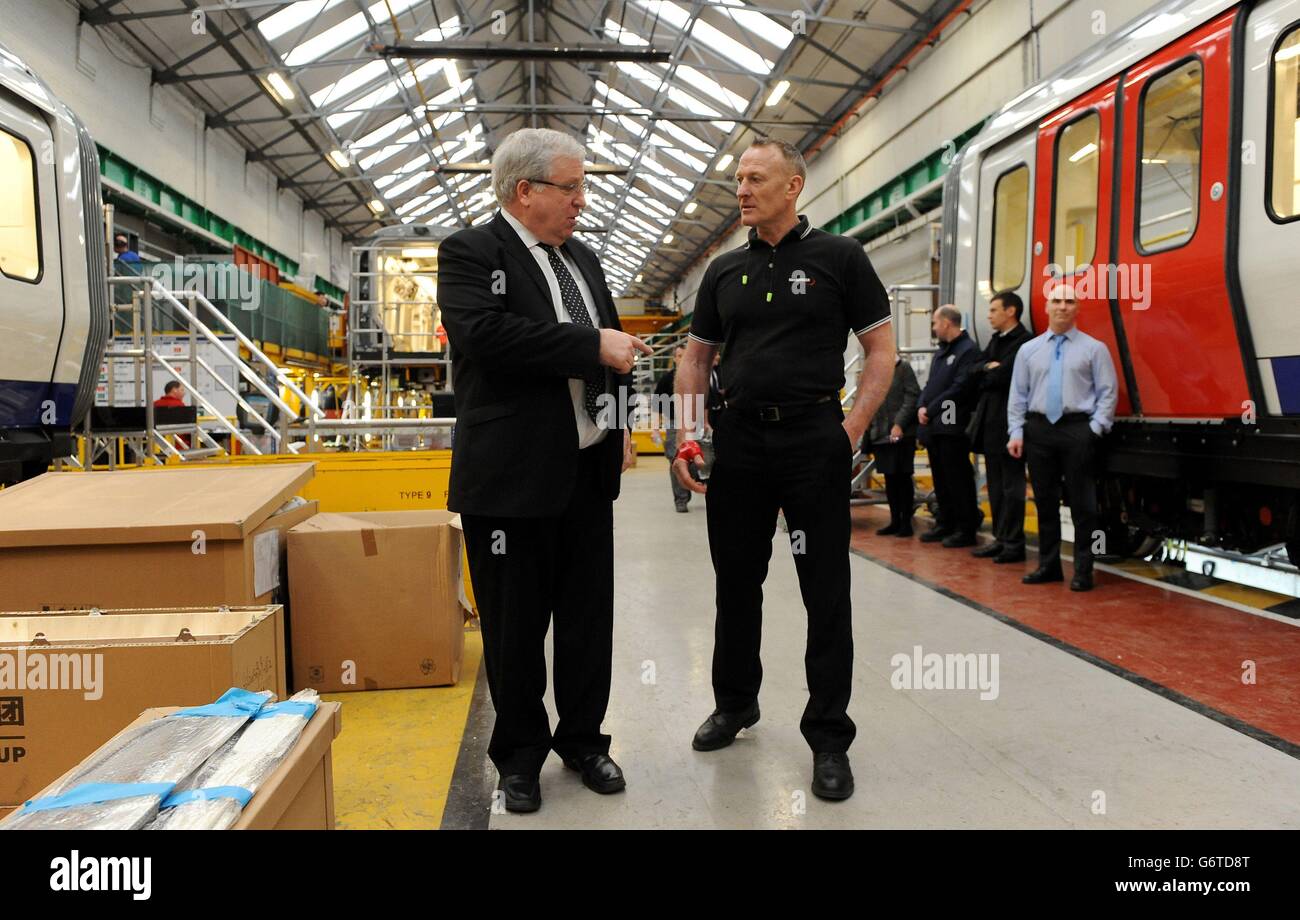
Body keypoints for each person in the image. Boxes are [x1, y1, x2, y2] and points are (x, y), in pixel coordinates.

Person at [672, 137, 895, 802]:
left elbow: (882, 350)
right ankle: (736, 702)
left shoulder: (840, 259)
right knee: (735, 584)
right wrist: (689, 434)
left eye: (756, 178)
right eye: (737, 177)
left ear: (793, 186)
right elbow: (694, 360)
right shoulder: (722, 270)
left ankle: (829, 736)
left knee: (824, 591)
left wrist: (851, 428)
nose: (741, 189)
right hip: (738, 442)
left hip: (811, 440)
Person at [438, 128, 652, 814]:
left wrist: (619, 423)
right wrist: (591, 343)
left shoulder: (582, 259)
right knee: (515, 625)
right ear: (524, 191)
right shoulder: (471, 253)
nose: (582, 203)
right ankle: (521, 756)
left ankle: (585, 741)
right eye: (572, 188)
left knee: (588, 618)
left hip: (586, 471)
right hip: (510, 478)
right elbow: (487, 337)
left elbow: (614, 351)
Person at [1007, 283, 1118, 592]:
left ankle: (1084, 570)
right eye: (1057, 300)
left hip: (1077, 430)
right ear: (1046, 307)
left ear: (1077, 308)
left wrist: (1095, 429)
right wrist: (1016, 431)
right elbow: (1018, 395)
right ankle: (1049, 566)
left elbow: (1108, 393)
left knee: (1084, 505)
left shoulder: (1094, 349)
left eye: (1069, 301)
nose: (1063, 306)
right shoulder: (1028, 351)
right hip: (1039, 430)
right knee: (1044, 502)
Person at [968, 291, 1033, 563]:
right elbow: (973, 371)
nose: (989, 315)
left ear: (1011, 312)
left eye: (994, 310)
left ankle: (1014, 542)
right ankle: (1000, 537)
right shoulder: (995, 341)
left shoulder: (1025, 343)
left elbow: (1004, 377)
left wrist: (988, 372)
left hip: (1012, 425)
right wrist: (986, 369)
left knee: (1012, 487)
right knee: (995, 486)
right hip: (991, 425)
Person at [916, 306, 980, 547]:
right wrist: (922, 406)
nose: (933, 328)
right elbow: (931, 384)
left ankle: (966, 529)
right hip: (935, 428)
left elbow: (960, 388)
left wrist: (930, 409)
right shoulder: (941, 353)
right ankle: (946, 523)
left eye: (935, 323)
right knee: (941, 480)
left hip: (953, 427)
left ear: (946, 323)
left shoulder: (968, 351)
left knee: (958, 480)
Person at [654, 344, 720, 512]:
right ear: (674, 359)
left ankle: (702, 489)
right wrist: (655, 428)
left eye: (685, 356)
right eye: (679, 356)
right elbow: (657, 407)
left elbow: (705, 403)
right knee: (676, 460)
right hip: (674, 426)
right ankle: (681, 500)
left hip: (695, 425)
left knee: (701, 461)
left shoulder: (697, 380)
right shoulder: (666, 380)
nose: (682, 359)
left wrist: (705, 423)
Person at [865, 355, 921, 536]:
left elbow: (912, 396)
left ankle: (906, 522)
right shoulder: (874, 372)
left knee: (903, 477)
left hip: (901, 434)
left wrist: (899, 423)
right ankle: (895, 520)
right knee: (890, 479)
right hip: (881, 435)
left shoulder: (903, 368)